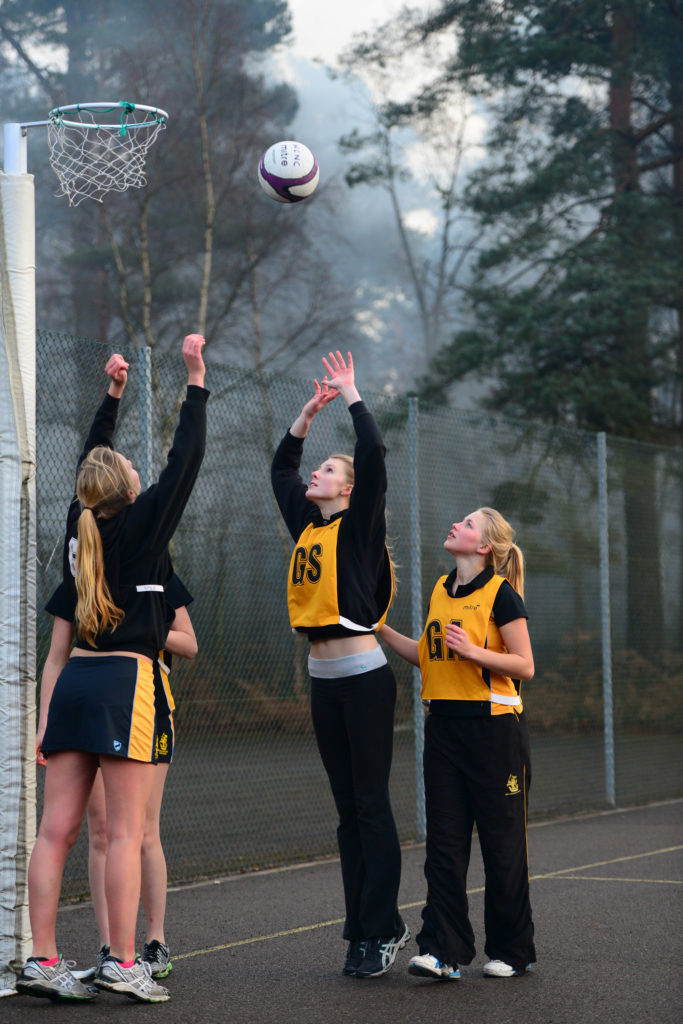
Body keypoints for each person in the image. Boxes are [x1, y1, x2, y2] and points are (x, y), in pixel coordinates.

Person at [16, 335, 208, 1004]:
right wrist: (195, 380)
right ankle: (126, 962)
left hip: (75, 684)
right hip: (128, 684)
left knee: (56, 831)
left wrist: (113, 397)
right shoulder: (144, 523)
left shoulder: (80, 527)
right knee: (126, 833)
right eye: (129, 464)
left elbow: (85, 463)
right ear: (129, 486)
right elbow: (186, 459)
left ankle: (41, 958)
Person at [271, 350, 408, 980]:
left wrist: (352, 393)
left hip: (364, 679)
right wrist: (304, 415)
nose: (314, 476)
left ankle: (382, 929)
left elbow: (374, 458)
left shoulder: (357, 526)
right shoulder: (307, 524)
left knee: (372, 805)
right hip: (323, 683)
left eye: (327, 470)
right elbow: (281, 470)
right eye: (318, 469)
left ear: (347, 488)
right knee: (347, 812)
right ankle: (358, 929)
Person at [379, 508, 536, 982]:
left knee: (502, 845)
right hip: (444, 728)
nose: (455, 526)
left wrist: (473, 651)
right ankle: (441, 950)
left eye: (468, 525)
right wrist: (380, 629)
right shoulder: (440, 590)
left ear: (485, 546)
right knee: (444, 845)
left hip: (495, 732)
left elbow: (524, 665)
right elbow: (428, 659)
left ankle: (513, 949)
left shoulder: (500, 595)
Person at [37, 574, 197, 983]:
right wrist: (44, 724)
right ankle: (111, 948)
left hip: (146, 701)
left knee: (143, 830)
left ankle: (155, 942)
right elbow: (56, 656)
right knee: (102, 832)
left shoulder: (156, 575)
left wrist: (142, 627)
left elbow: (189, 643)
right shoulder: (80, 577)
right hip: (91, 701)